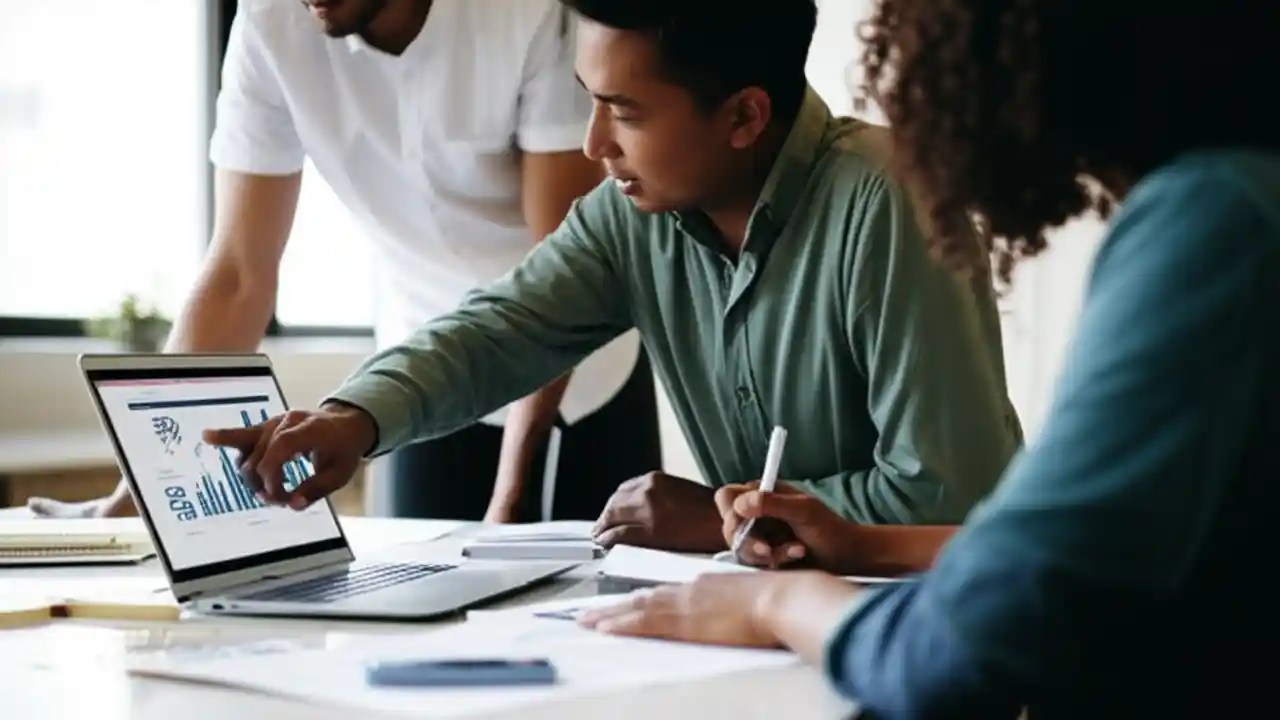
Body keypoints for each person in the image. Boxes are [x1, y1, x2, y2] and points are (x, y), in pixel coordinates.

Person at [575, 1, 1280, 716]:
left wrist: (777, 602)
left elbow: (967, 640)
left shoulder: (1216, 228)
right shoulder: (1240, 195)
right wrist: (862, 546)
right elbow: (1104, 548)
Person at [203, 0, 1023, 554]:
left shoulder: (892, 202)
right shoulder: (632, 216)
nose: (594, 143)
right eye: (589, 102)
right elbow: (498, 330)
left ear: (744, 116)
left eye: (624, 112)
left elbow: (950, 504)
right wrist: (352, 418)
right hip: (767, 625)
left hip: (919, 641)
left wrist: (717, 516)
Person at [28, 0, 663, 523]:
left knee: (585, 629)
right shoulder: (270, 25)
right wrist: (137, 493)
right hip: (420, 374)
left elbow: (550, 287)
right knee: (421, 629)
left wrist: (508, 497)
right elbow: (239, 275)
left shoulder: (528, 15)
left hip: (578, 376)